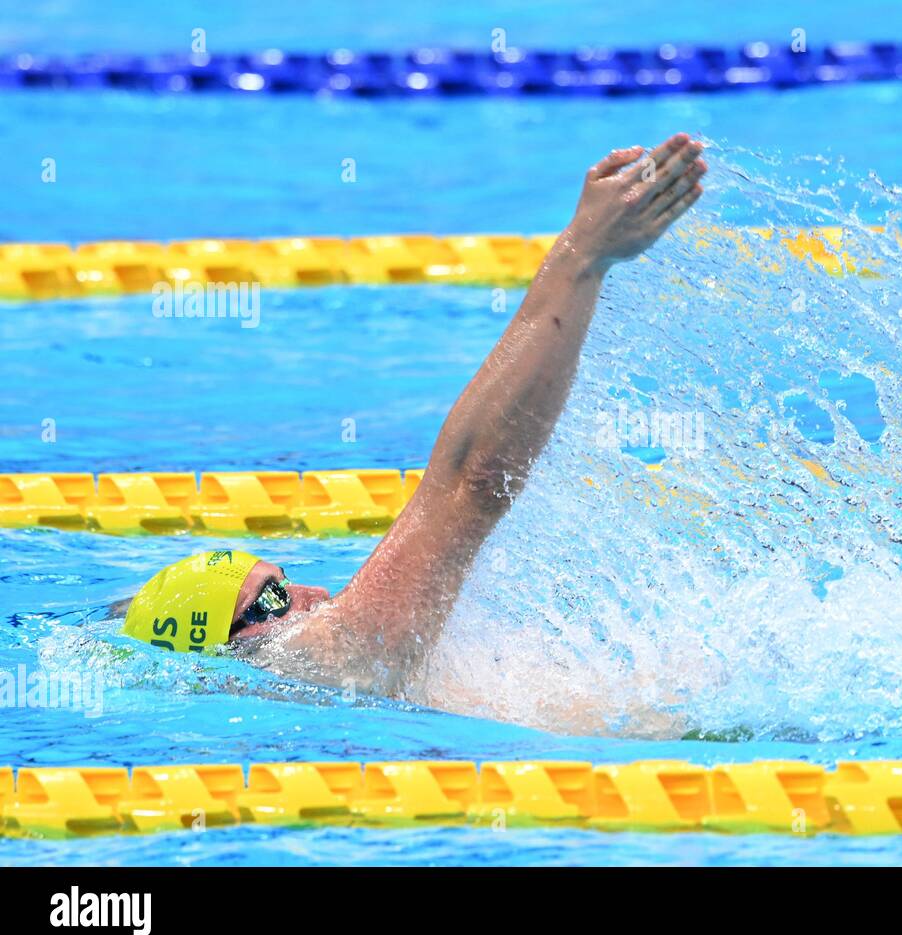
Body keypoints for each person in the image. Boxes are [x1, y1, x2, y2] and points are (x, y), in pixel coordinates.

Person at [113, 133, 708, 694]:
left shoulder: (329, 686)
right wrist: (583, 254)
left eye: (286, 583)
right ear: (220, 652)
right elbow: (476, 480)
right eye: (274, 601)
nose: (315, 593)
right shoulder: (333, 663)